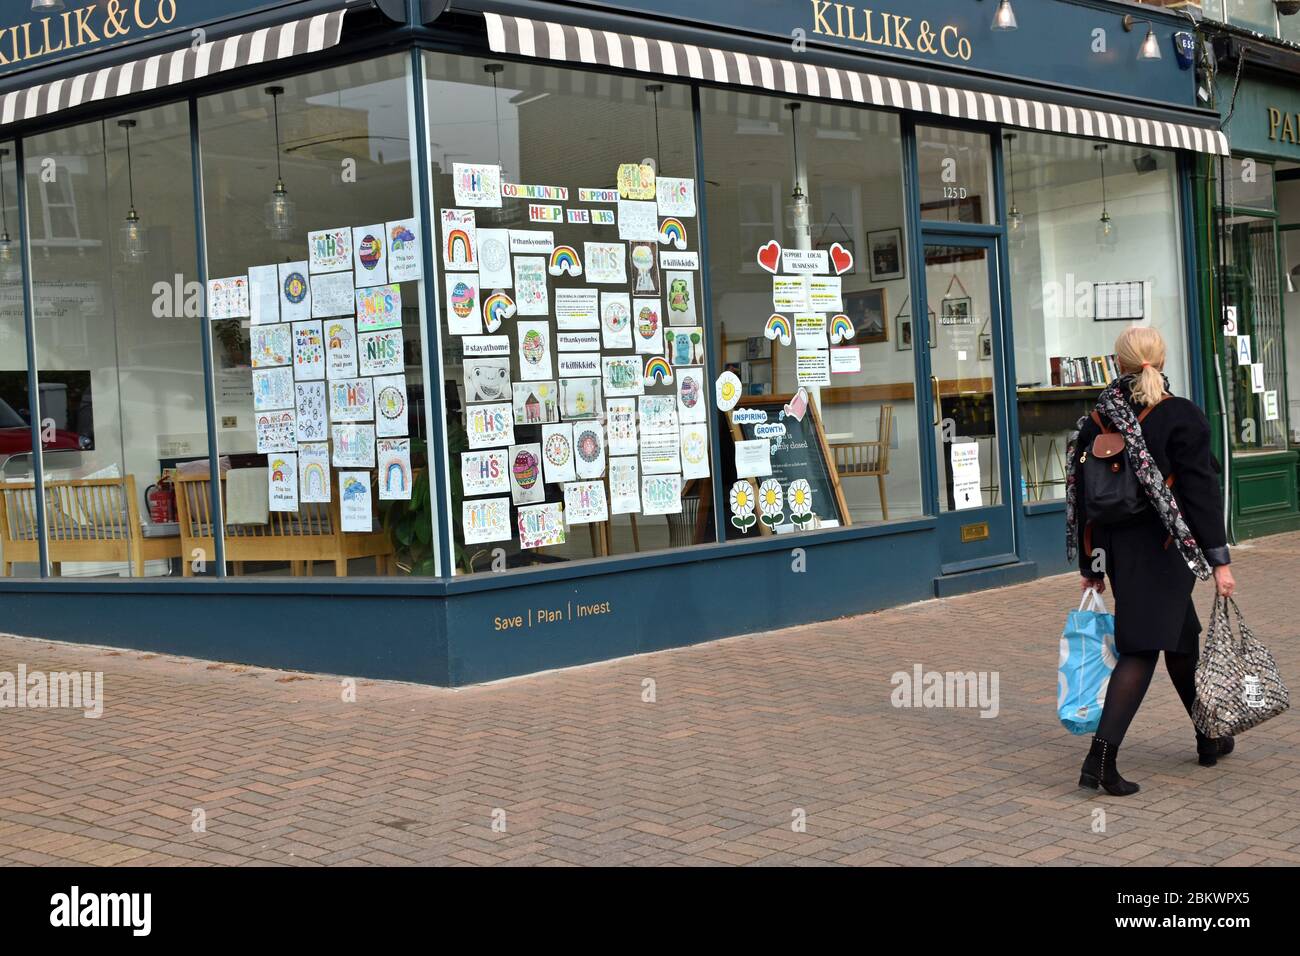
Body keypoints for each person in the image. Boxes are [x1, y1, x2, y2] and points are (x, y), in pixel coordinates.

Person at [1066, 327, 1235, 796]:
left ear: (1117, 364)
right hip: (1165, 551)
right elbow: (1201, 493)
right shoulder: (1180, 416)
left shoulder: (1098, 419)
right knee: (1141, 648)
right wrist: (1219, 560)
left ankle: (1208, 736)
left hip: (1121, 551)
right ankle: (1099, 761)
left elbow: (1083, 501)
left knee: (1181, 638)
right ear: (1160, 360)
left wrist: (1092, 564)